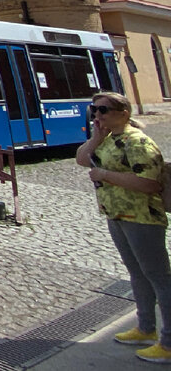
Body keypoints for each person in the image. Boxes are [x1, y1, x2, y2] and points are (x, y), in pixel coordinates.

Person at [76, 91, 171, 363]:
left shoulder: (138, 142)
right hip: (116, 214)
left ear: (123, 113)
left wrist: (106, 175)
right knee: (137, 273)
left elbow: (151, 184)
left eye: (103, 110)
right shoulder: (107, 139)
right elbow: (82, 159)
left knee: (159, 277)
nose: (97, 115)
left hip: (141, 216)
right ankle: (145, 328)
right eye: (94, 109)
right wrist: (95, 137)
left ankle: (168, 342)